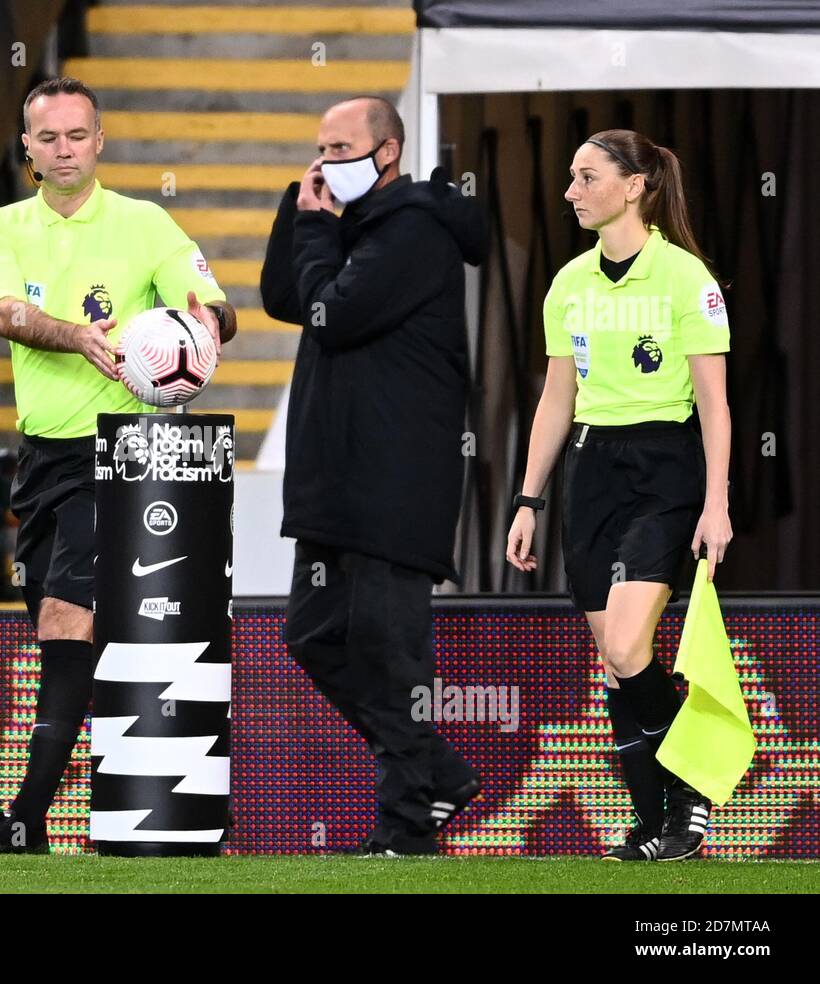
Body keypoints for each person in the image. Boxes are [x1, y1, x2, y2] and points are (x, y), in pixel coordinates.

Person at [0, 76, 237, 853]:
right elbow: (1, 311)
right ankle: (51, 817)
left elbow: (218, 308)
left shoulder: (146, 224)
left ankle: (24, 821)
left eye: (77, 135)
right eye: (48, 138)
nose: (64, 149)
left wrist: (199, 323)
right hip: (39, 458)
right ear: (28, 148)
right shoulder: (1, 226)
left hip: (121, 456)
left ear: (100, 140)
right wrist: (78, 334)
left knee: (65, 622)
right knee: (60, 633)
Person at [260, 96, 486, 856]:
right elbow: (285, 297)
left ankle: (407, 827)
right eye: (319, 148)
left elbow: (336, 312)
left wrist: (320, 231)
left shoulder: (416, 230)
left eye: (342, 148)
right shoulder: (343, 226)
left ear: (387, 152)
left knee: (392, 652)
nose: (327, 162)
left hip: (395, 484)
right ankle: (438, 774)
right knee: (313, 635)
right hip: (333, 482)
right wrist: (299, 210)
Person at [506, 129, 732, 862]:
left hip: (663, 468)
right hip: (590, 468)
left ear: (635, 185)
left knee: (633, 644)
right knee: (614, 658)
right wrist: (528, 500)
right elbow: (555, 399)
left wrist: (716, 502)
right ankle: (652, 824)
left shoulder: (684, 277)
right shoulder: (569, 283)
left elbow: (715, 405)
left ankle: (690, 795)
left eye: (587, 176)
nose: (571, 192)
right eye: (571, 178)